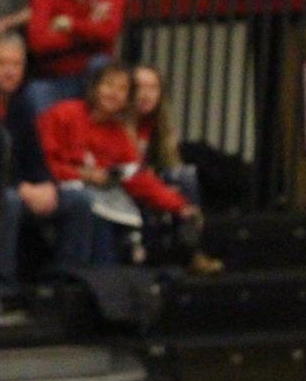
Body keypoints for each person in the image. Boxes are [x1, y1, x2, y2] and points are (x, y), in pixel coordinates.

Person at [0, 33, 102, 298]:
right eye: (2, 63)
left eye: (16, 64)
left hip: (14, 189)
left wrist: (47, 186)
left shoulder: (20, 105)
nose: (11, 72)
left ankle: (64, 282)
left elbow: (36, 158)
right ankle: (2, 288)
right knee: (8, 200)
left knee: (80, 200)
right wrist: (22, 189)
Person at [37, 63, 214, 273]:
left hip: (98, 196)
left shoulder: (118, 134)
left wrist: (180, 206)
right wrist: (82, 175)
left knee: (113, 213)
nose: (114, 93)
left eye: (122, 89)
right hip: (51, 187)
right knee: (87, 204)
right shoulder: (63, 113)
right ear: (95, 87)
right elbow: (40, 161)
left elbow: (138, 178)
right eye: (109, 85)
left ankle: (105, 278)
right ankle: (70, 275)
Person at [131, 64, 222, 273]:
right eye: (139, 87)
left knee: (184, 175)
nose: (146, 94)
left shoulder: (159, 124)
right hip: (127, 182)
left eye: (153, 88)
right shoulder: (118, 123)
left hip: (152, 180)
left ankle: (191, 248)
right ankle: (187, 249)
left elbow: (170, 163)